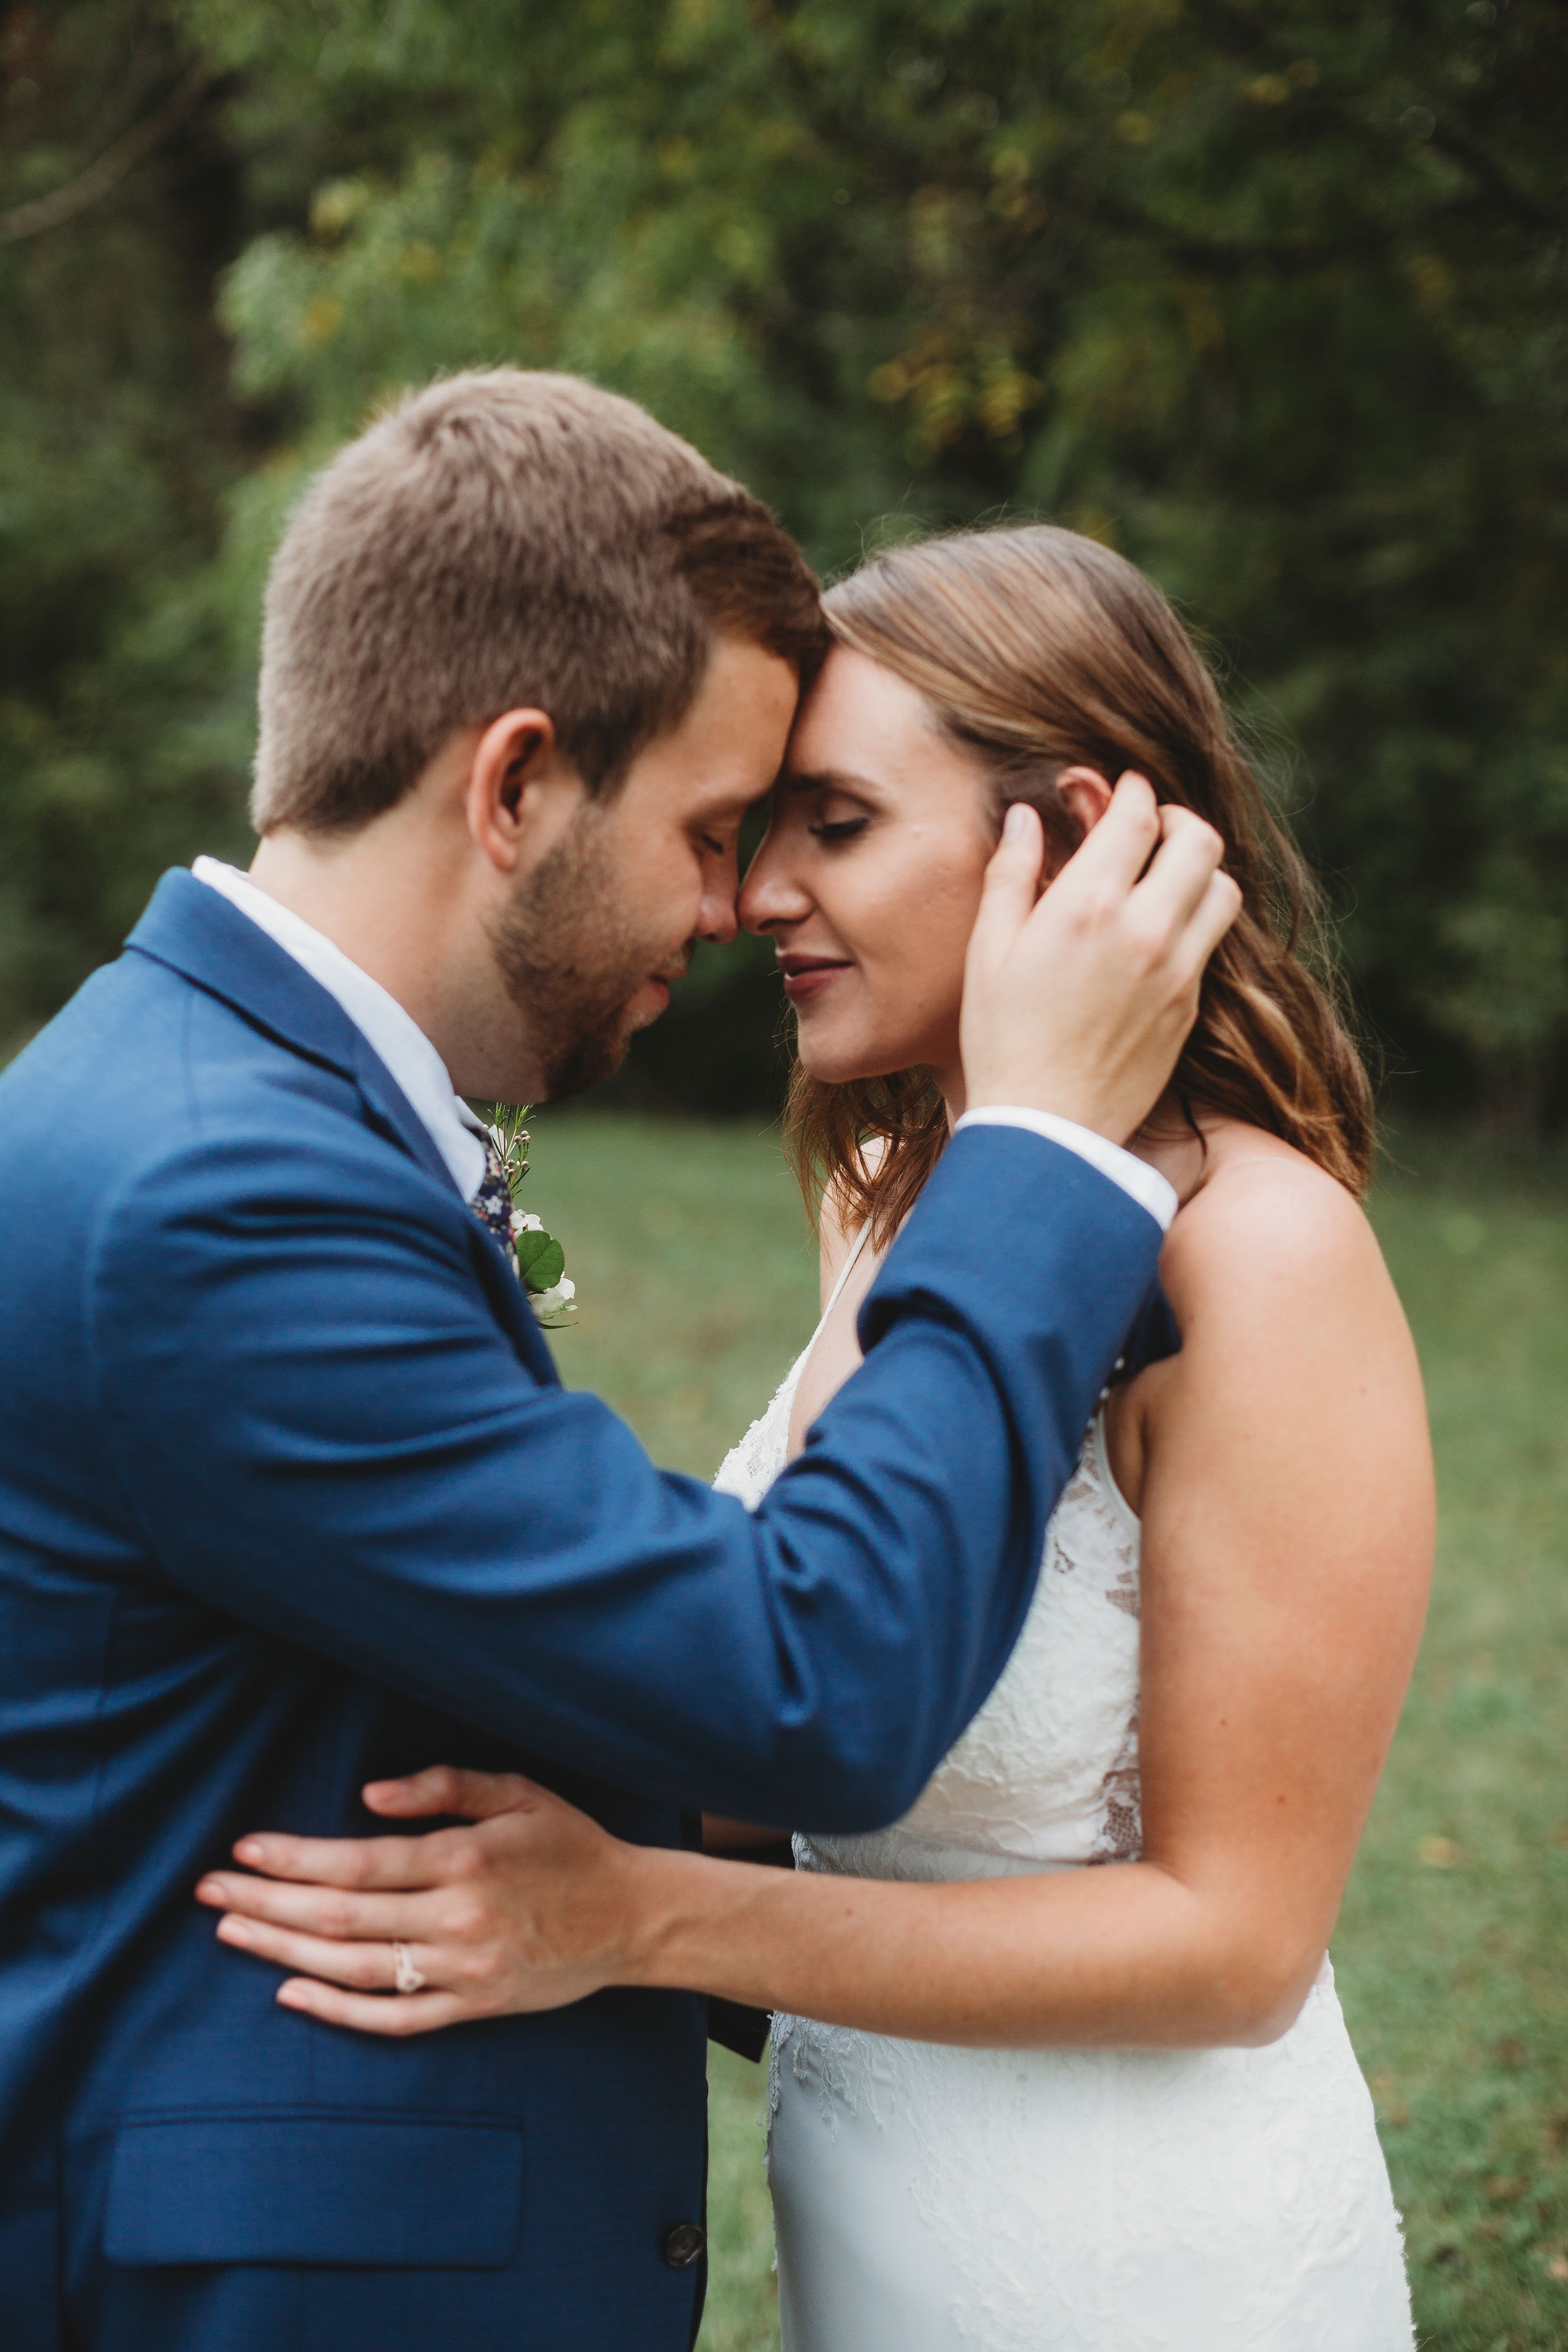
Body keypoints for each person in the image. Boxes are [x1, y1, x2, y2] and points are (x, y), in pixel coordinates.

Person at [0, 376, 1237, 2352]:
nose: (740, 906)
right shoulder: (216, 1189)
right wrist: (1046, 1155)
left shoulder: (210, 1098)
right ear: (514, 788)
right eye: (715, 828)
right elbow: (808, 1680)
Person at [204, 526, 1434, 2351]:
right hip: (874, 2244)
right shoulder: (899, 1193)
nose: (757, 889)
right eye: (759, 821)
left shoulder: (1264, 1257)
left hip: (1144, 2268)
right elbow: (800, 1680)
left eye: (835, 823)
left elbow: (1234, 1950)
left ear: (1071, 834)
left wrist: (637, 1919)